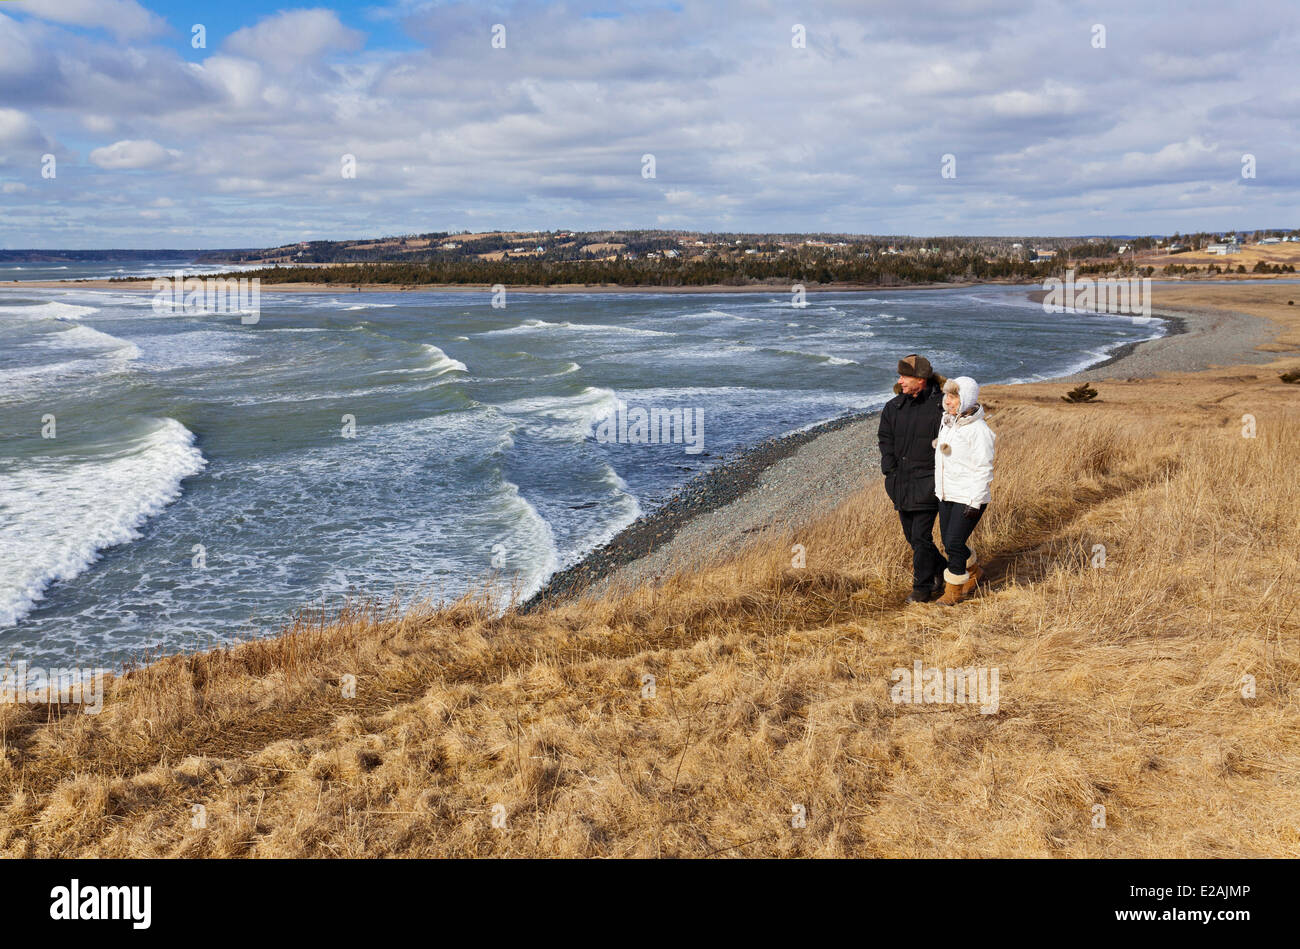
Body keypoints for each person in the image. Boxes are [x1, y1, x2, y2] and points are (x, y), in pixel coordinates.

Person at [878, 354, 947, 603]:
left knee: (920, 537)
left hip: (929, 482)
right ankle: (943, 569)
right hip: (900, 484)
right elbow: (885, 439)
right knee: (913, 538)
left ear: (920, 379)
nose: (900, 381)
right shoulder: (893, 407)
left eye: (904, 376)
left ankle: (922, 589)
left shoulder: (942, 407)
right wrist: (890, 469)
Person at [933, 376, 996, 606]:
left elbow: (984, 468)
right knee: (950, 542)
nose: (948, 401)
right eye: (947, 395)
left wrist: (975, 502)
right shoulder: (948, 422)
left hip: (969, 497)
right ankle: (975, 573)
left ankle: (954, 590)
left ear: (966, 399)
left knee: (953, 543)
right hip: (947, 493)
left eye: (954, 396)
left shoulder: (978, 430)